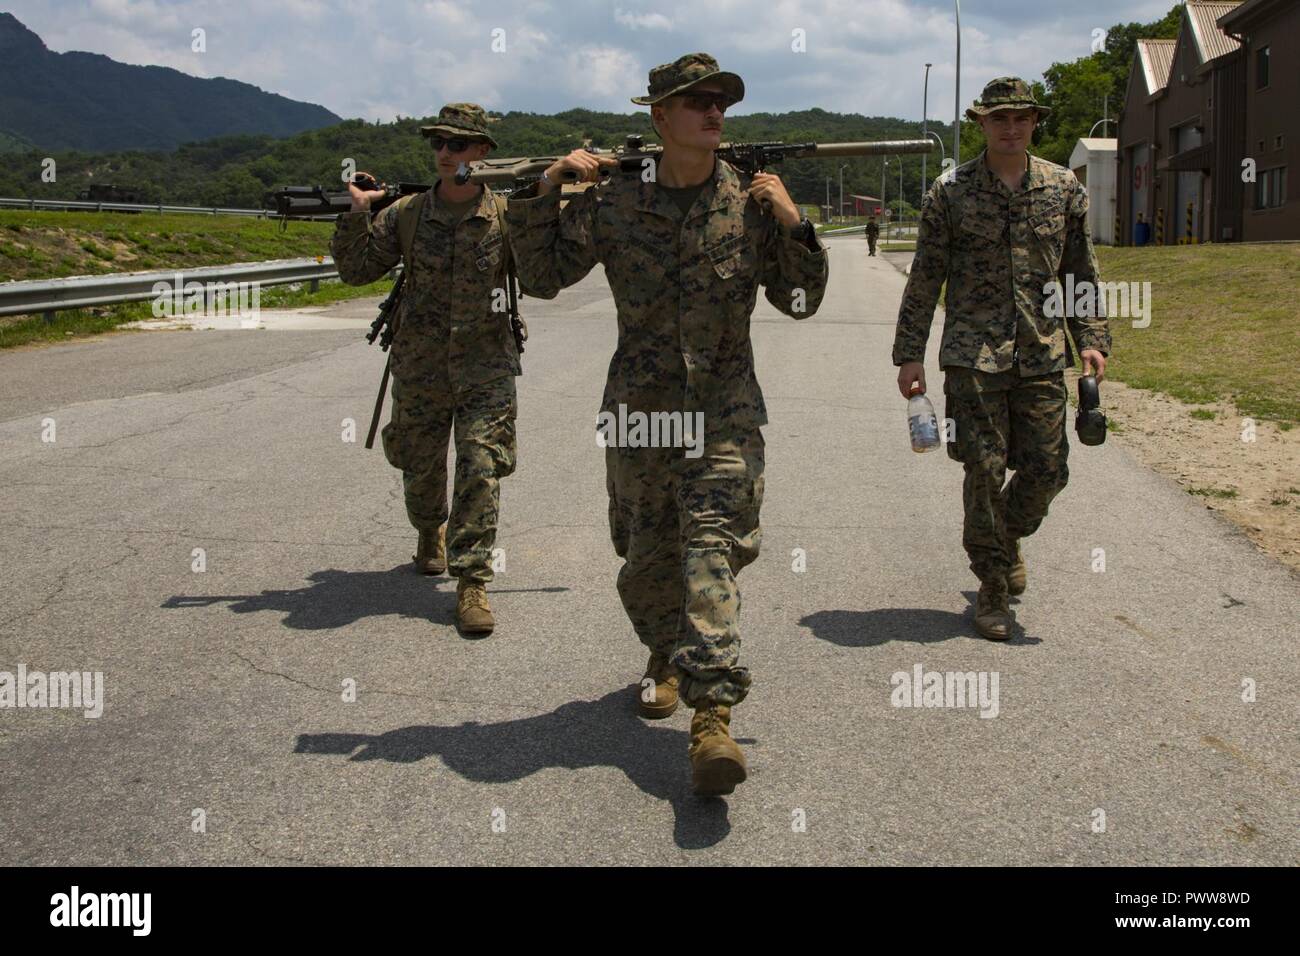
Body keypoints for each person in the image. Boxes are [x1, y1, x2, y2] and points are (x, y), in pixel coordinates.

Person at [506, 53, 828, 795]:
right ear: (660, 117)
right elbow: (543, 277)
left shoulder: (749, 203)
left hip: (725, 412)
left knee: (710, 550)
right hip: (642, 415)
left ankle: (713, 716)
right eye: (697, 101)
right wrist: (544, 191)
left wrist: (796, 224)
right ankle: (664, 653)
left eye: (722, 101)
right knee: (646, 557)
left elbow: (801, 303)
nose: (714, 112)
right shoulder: (616, 202)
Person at [892, 77, 1110, 640]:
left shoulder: (1064, 189)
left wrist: (1091, 336)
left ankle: (1005, 539)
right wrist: (909, 355)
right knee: (984, 472)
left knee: (1047, 469)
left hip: (1041, 352)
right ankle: (991, 585)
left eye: (1021, 118)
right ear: (981, 124)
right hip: (972, 356)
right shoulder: (951, 192)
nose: (1011, 127)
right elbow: (925, 277)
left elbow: (1079, 272)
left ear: (1034, 122)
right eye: (999, 119)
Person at [332, 103, 534, 637]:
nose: (446, 153)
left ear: (483, 153)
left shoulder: (507, 217)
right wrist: (357, 212)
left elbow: (545, 278)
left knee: (480, 464)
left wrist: (555, 203)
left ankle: (473, 580)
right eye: (440, 144)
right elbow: (355, 270)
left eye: (459, 144)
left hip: (486, 364)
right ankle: (429, 529)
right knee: (420, 465)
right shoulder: (407, 214)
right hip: (420, 362)